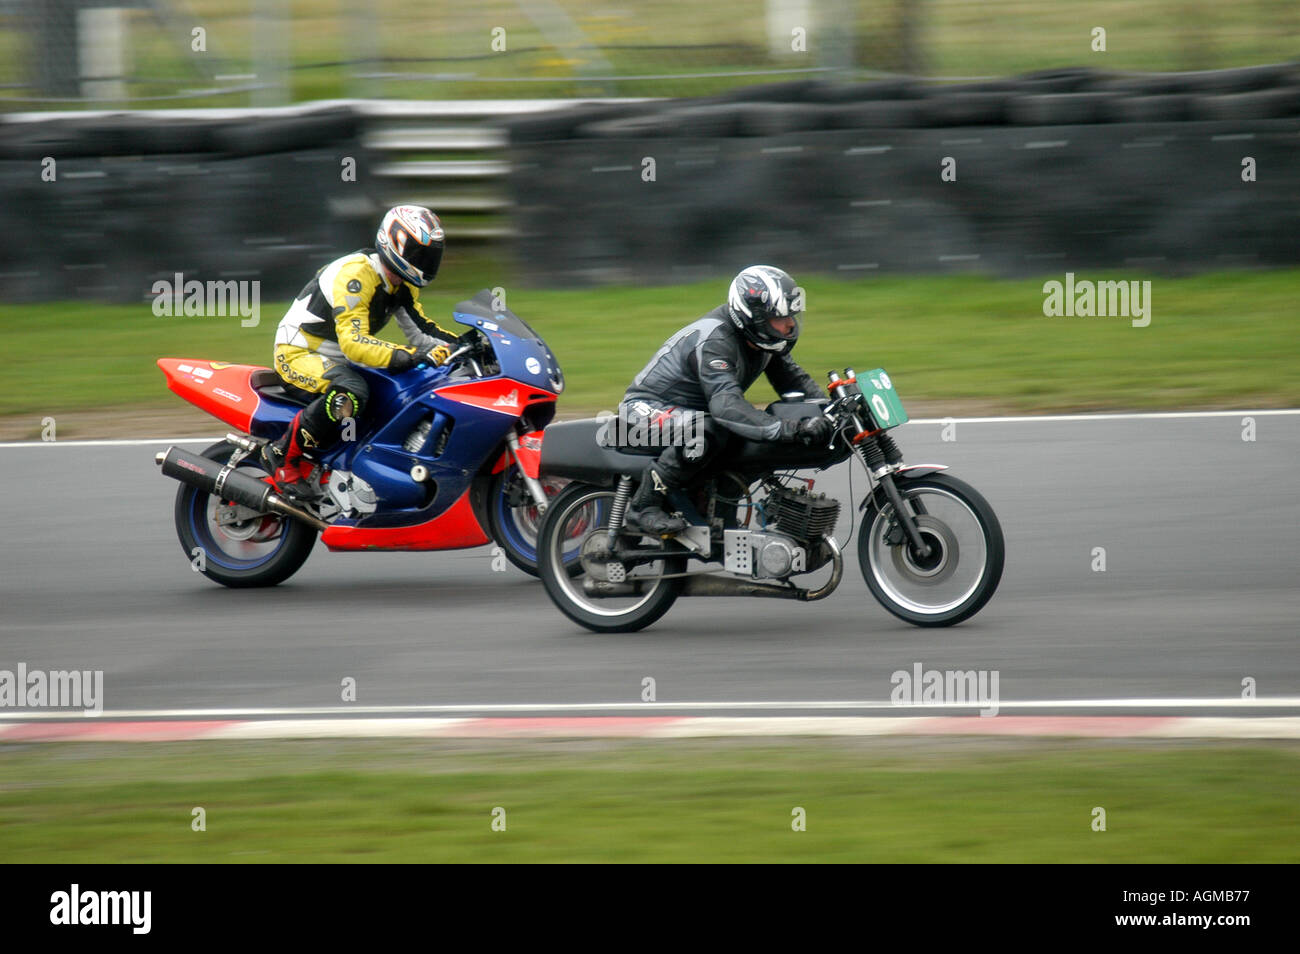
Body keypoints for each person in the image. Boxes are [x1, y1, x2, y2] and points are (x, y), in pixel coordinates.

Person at [619, 265, 832, 534]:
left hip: (693, 411)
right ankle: (643, 507)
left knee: (743, 433)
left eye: (792, 315)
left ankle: (711, 504)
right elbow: (727, 408)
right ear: (753, 317)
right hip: (645, 408)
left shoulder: (766, 342)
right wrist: (791, 429)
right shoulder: (717, 340)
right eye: (781, 318)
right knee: (709, 430)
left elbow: (797, 384)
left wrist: (829, 412)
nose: (790, 325)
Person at [259, 205, 458, 485]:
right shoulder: (356, 275)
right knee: (352, 391)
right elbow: (353, 343)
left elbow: (423, 332)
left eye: (430, 255)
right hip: (300, 353)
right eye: (419, 253)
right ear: (396, 244)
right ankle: (282, 455)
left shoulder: (401, 283)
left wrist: (467, 345)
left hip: (339, 360)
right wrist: (411, 356)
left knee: (408, 385)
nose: (426, 261)